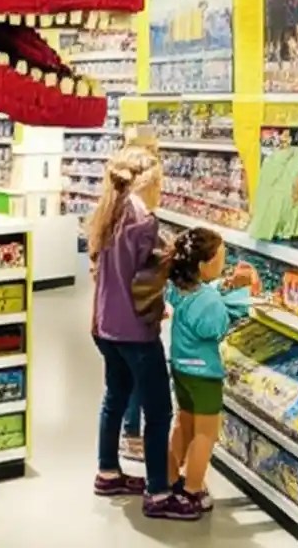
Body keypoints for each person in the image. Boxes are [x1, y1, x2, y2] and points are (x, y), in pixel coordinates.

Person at [88, 142, 193, 520]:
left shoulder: (108, 214)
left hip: (104, 327)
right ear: (147, 182)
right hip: (134, 332)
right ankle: (159, 492)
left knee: (115, 394)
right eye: (159, 183)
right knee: (159, 409)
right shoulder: (145, 223)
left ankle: (107, 471)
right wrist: (160, 306)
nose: (161, 191)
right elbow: (145, 283)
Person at [164, 228, 252, 515]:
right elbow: (215, 328)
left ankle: (169, 478)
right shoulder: (210, 303)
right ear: (203, 265)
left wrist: (224, 285)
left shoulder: (181, 290)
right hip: (204, 375)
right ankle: (192, 489)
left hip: (181, 369)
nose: (223, 266)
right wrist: (236, 300)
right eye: (220, 260)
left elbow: (205, 294)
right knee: (206, 434)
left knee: (183, 424)